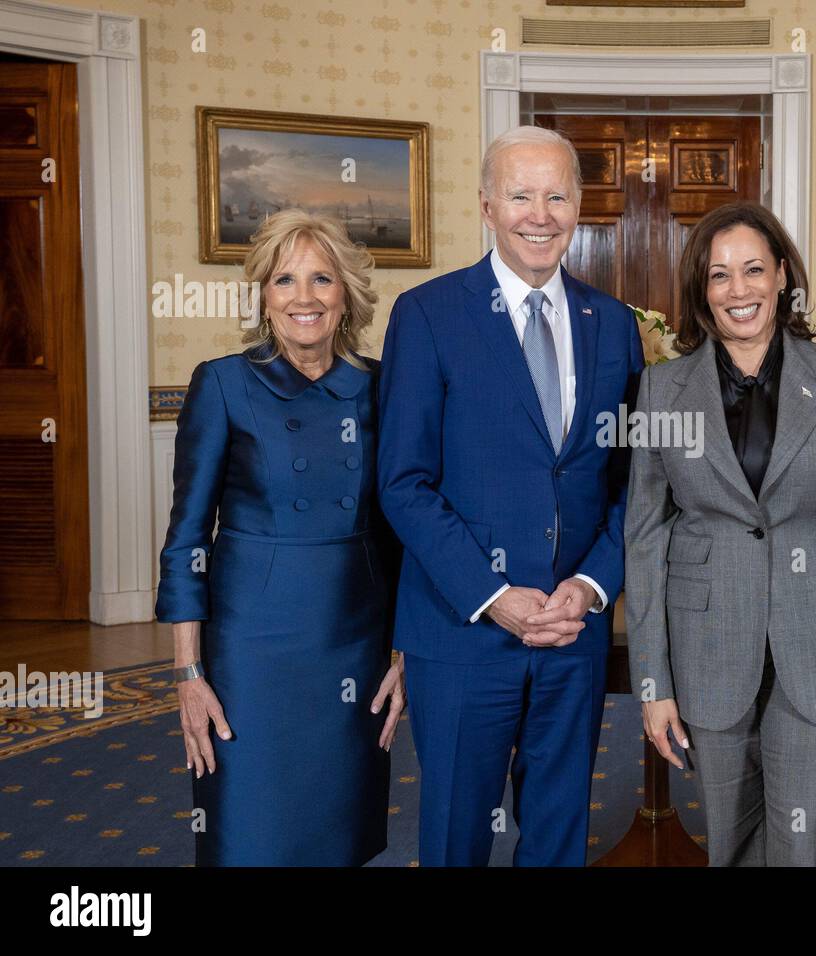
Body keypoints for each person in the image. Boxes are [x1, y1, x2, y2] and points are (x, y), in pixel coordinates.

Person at [377, 125, 644, 866]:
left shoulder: (614, 324)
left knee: (559, 837)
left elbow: (633, 483)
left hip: (572, 633)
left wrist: (591, 589)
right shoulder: (428, 314)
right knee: (457, 834)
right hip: (462, 632)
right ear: (487, 205)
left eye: (557, 195)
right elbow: (403, 482)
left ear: (579, 206)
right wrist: (494, 594)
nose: (540, 212)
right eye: (521, 194)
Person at [624, 201, 816, 866]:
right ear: (701, 290)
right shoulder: (661, 391)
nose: (739, 289)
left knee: (804, 845)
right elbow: (645, 538)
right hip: (708, 647)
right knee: (730, 843)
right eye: (720, 276)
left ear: (782, 274)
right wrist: (652, 685)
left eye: (754, 269)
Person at [156, 210, 405, 866]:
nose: (304, 297)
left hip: (353, 641)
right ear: (262, 296)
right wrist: (187, 673)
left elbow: (403, 532)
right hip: (251, 651)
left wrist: (404, 653)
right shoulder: (223, 383)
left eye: (321, 278)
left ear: (346, 292)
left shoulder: (381, 388)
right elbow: (186, 539)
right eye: (284, 280)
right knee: (248, 828)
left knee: (339, 825)